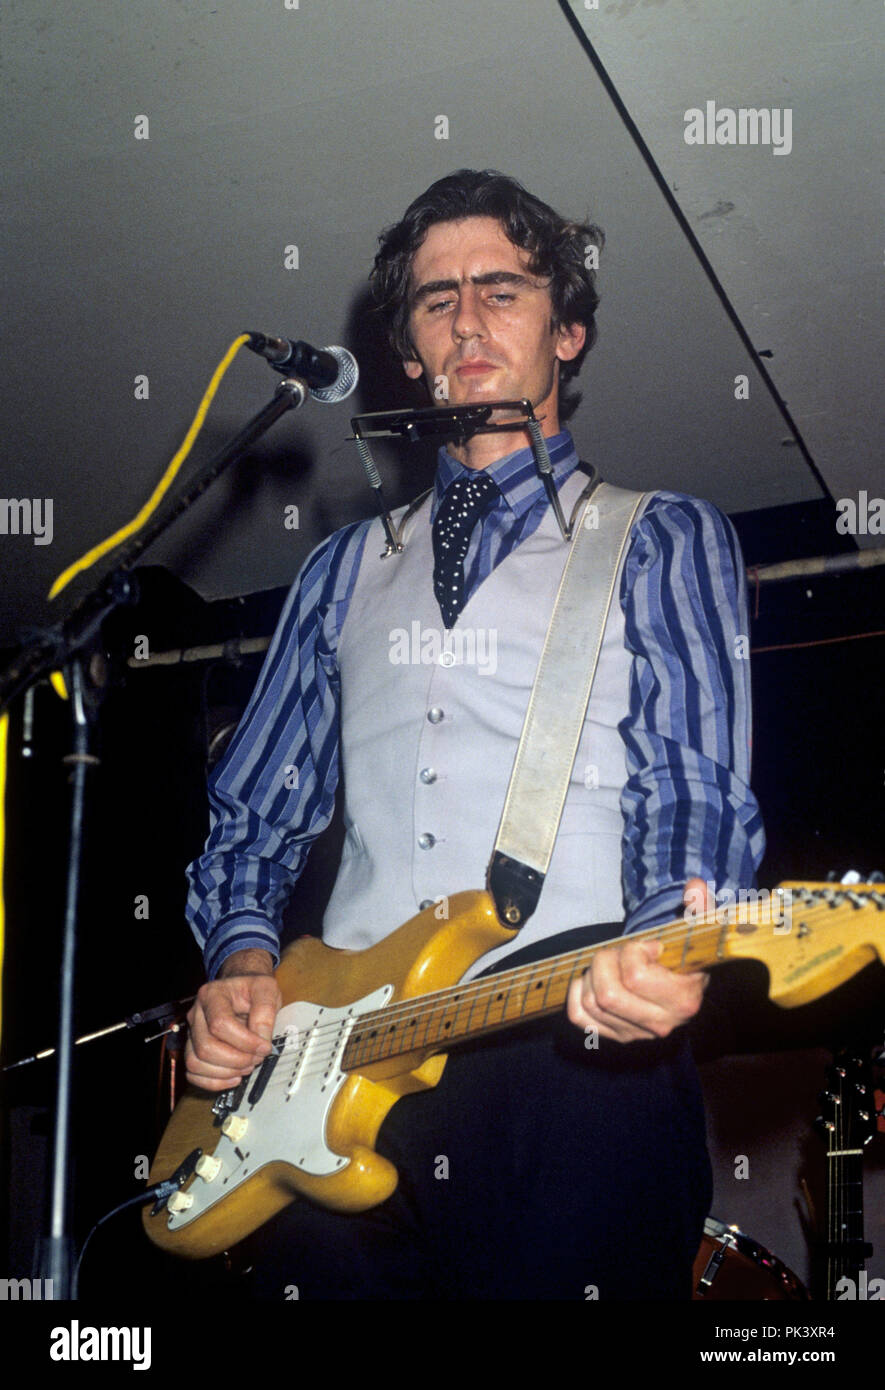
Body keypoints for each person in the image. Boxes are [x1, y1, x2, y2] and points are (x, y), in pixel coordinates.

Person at [182, 169, 765, 1300]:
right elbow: (253, 810)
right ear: (409, 352)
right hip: (330, 1073)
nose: (467, 317)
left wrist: (666, 942)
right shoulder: (341, 569)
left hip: (573, 1046)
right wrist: (243, 965)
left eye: (502, 288)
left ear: (570, 331)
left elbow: (691, 778)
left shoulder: (660, 535)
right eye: (437, 300)